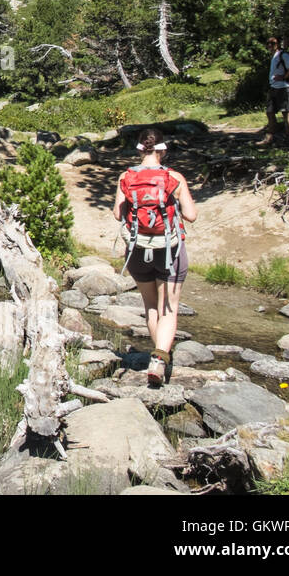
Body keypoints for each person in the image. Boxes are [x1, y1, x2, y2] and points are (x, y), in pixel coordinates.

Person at [113, 128, 198, 385]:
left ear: (139, 150)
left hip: (138, 250)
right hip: (169, 251)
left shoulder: (125, 177)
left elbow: (118, 214)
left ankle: (159, 356)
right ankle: (160, 359)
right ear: (163, 149)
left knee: (151, 306)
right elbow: (191, 215)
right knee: (168, 308)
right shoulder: (174, 177)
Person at [261, 36, 289, 146]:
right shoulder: (274, 56)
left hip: (282, 88)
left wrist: (284, 77)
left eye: (273, 43)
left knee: (286, 113)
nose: (270, 45)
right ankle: (270, 137)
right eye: (268, 43)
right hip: (273, 87)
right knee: (269, 112)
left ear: (278, 44)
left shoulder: (283, 55)